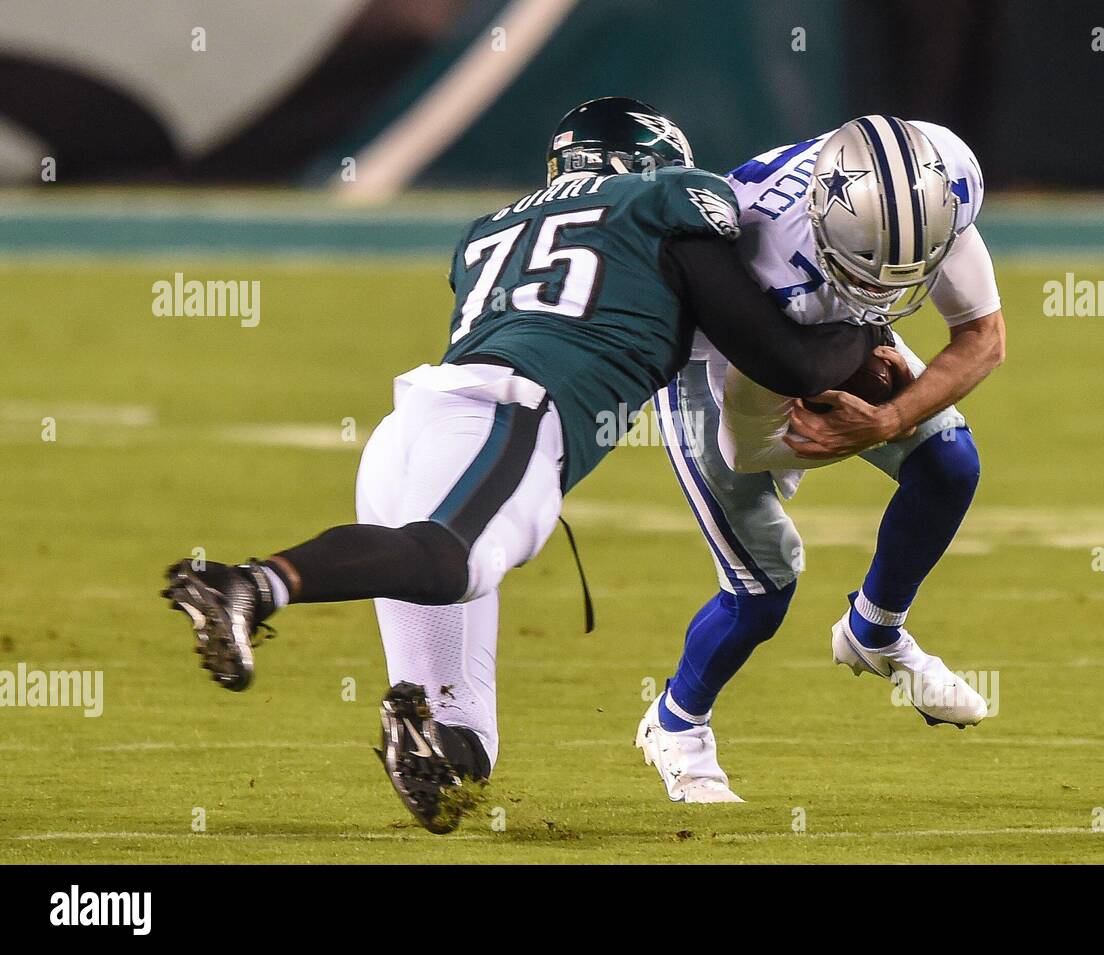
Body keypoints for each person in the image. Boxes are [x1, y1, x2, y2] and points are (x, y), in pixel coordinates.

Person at [160, 97, 877, 833]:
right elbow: (782, 358)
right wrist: (866, 326)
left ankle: (419, 735)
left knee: (463, 744)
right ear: (650, 164)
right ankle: (249, 585)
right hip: (510, 421)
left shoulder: (490, 229)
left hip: (416, 432)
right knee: (450, 562)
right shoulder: (667, 200)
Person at [639, 116, 1006, 803]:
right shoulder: (768, 267)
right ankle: (676, 723)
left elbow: (983, 334)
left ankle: (874, 631)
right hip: (718, 361)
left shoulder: (935, 180)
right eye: (873, 270)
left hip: (825, 329)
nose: (889, 292)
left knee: (949, 462)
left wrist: (893, 413)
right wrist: (859, 419)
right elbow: (750, 451)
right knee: (765, 581)